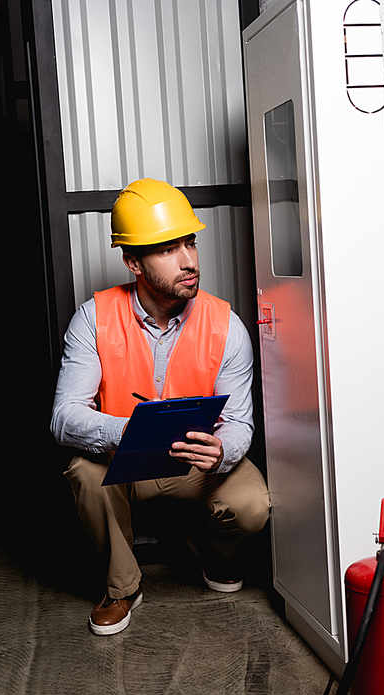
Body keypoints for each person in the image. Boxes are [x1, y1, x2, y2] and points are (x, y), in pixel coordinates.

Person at [51, 178, 270, 636]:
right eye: (168, 249)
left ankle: (212, 549)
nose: (189, 260)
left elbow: (240, 422)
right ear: (133, 261)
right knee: (82, 472)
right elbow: (64, 415)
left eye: (189, 242)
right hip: (123, 462)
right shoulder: (94, 318)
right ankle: (122, 586)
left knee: (251, 504)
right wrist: (128, 432)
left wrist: (222, 451)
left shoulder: (226, 325)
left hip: (194, 466)